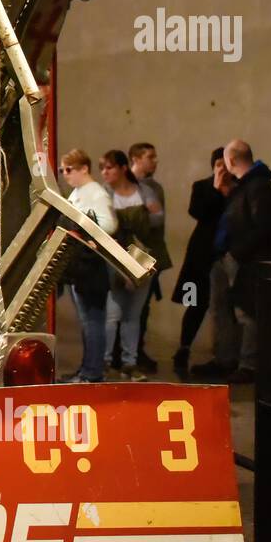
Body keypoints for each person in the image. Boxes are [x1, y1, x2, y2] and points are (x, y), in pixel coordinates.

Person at [193, 139, 271, 385]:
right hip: (226, 256)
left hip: (246, 259)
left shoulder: (260, 185)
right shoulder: (243, 186)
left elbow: (263, 226)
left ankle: (249, 364)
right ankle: (225, 358)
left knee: (246, 312)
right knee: (220, 309)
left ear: (231, 160)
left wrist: (237, 253)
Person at [99, 150, 166, 380]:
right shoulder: (104, 194)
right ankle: (106, 361)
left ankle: (130, 362)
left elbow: (158, 217)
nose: (105, 173)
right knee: (112, 314)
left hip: (140, 257)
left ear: (123, 168)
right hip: (113, 258)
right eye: (102, 168)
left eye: (109, 167)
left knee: (133, 314)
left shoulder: (143, 190)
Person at [58, 150, 118, 383]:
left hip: (91, 268)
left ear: (84, 168)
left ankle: (92, 373)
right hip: (81, 269)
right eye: (63, 170)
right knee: (88, 322)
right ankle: (87, 369)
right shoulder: (80, 192)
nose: (65, 175)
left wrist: (88, 238)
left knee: (93, 322)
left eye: (69, 169)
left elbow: (109, 225)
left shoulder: (95, 193)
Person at [172, 148, 232, 376]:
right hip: (201, 255)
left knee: (225, 307)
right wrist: (217, 190)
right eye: (219, 164)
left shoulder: (239, 188)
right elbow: (198, 212)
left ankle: (225, 356)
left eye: (227, 163)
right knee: (196, 304)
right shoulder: (202, 186)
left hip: (226, 254)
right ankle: (183, 348)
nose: (223, 168)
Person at [127, 142, 168, 371]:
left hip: (149, 254)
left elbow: (158, 221)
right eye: (150, 157)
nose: (155, 161)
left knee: (142, 308)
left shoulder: (154, 188)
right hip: (130, 253)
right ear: (136, 159)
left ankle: (135, 350)